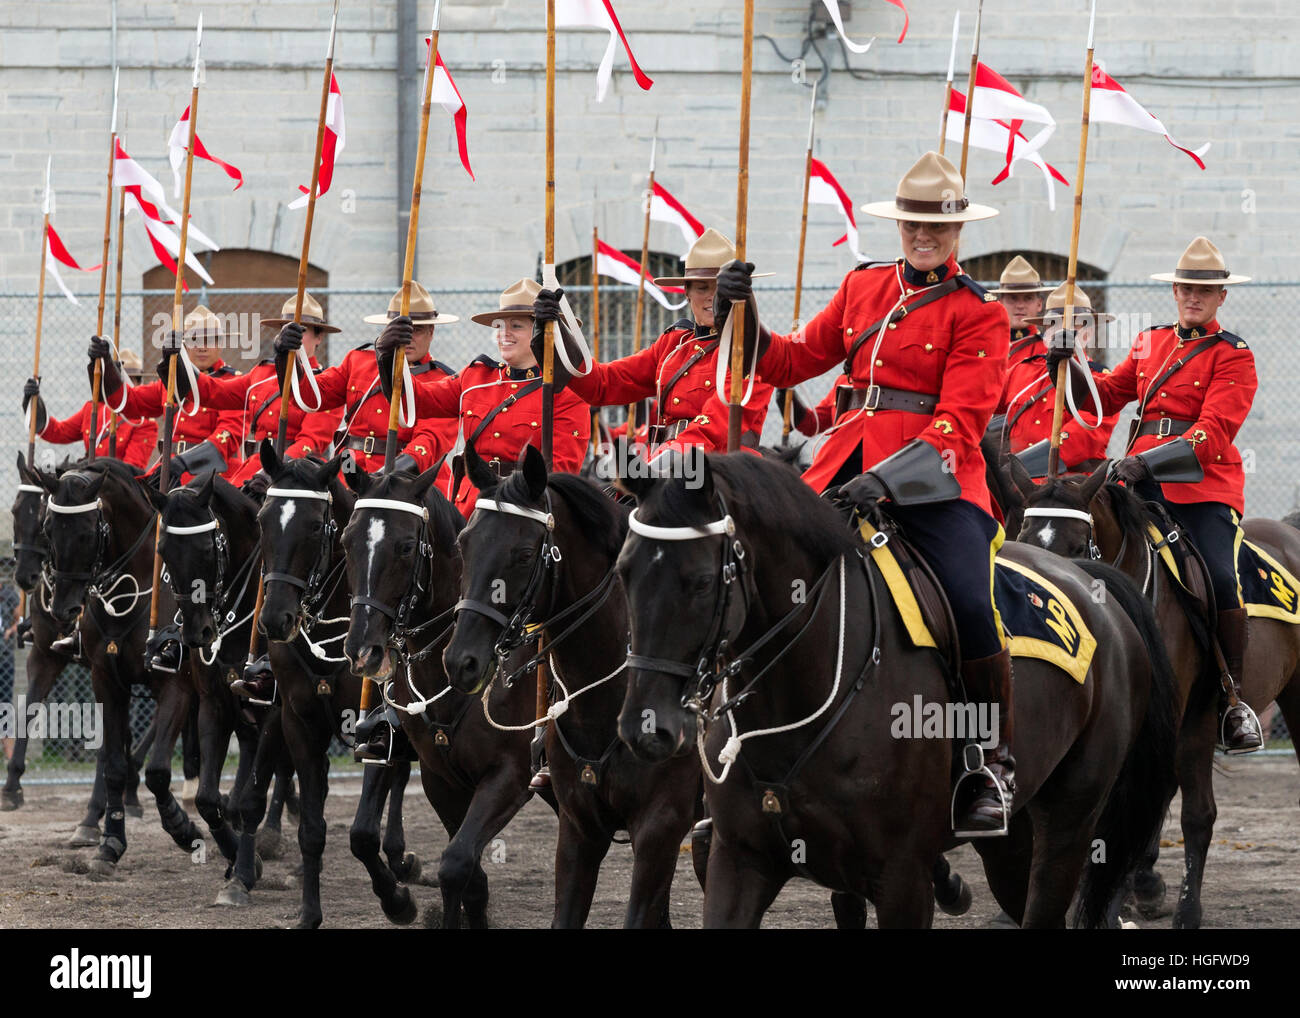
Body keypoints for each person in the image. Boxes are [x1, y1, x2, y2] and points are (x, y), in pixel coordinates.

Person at [714, 151, 1017, 836]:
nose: (921, 235)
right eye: (912, 222)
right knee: (759, 573)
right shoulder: (864, 287)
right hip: (843, 472)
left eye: (935, 226)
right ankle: (743, 740)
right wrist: (745, 312)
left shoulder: (980, 313)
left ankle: (989, 760)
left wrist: (889, 478)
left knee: (970, 602)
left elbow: (959, 425)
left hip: (937, 487)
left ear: (957, 231)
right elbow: (790, 360)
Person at [360, 279, 592, 769]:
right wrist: (389, 362)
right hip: (470, 512)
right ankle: (397, 711)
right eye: (501, 325)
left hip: (526, 518)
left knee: (548, 602)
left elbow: (563, 470)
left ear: (543, 332)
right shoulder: (477, 377)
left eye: (519, 325)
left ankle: (548, 720)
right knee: (409, 577)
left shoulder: (565, 393)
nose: (505, 333)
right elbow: (415, 402)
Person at [1048, 235, 1261, 753]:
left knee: (1216, 574)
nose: (1194, 295)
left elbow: (1213, 433)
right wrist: (1065, 362)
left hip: (1199, 488)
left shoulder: (1234, 355)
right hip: (1135, 485)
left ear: (1220, 297)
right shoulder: (1150, 341)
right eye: (1186, 286)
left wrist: (1145, 461)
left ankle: (1233, 700)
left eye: (1205, 290)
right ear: (1174, 289)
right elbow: (1106, 395)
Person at [536, 228, 773, 455]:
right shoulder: (673, 346)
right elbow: (604, 384)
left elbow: (717, 426)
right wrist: (557, 333)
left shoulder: (753, 350)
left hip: (722, 471)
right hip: (666, 464)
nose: (712, 297)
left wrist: (664, 461)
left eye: (722, 289)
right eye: (702, 288)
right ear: (687, 292)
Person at [272, 282, 460, 481]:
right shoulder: (358, 361)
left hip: (406, 478)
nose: (408, 338)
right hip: (349, 467)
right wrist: (285, 357)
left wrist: (382, 477)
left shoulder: (443, 381)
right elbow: (310, 398)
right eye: (402, 330)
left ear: (431, 332)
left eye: (418, 330)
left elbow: (428, 443)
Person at [184, 293, 345, 495]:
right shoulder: (262, 373)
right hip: (254, 467)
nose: (293, 336)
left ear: (319, 337)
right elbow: (216, 392)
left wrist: (271, 472)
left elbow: (310, 442)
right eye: (286, 330)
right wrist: (179, 364)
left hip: (295, 472)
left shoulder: (324, 384)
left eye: (301, 331)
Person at [91, 306, 246, 483]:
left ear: (220, 344)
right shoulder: (170, 383)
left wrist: (184, 462)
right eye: (194, 339)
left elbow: (227, 438)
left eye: (209, 340)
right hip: (168, 469)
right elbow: (128, 403)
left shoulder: (232, 383)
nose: (202, 347)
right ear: (184, 345)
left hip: (212, 475)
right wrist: (106, 366)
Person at [998, 283, 1118, 476]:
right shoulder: (1019, 371)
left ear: (1090, 330)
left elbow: (1082, 439)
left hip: (1069, 486)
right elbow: (983, 409)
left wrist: (1020, 467)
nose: (1065, 330)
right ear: (1046, 330)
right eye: (1056, 323)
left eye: (1075, 323)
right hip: (1016, 484)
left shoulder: (1100, 380)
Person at [22, 349, 157, 468]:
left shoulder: (144, 423)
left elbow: (131, 469)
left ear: (139, 383)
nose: (127, 384)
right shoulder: (92, 409)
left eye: (134, 379)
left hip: (116, 489)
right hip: (87, 481)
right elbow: (59, 432)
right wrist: (34, 405)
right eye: (121, 379)